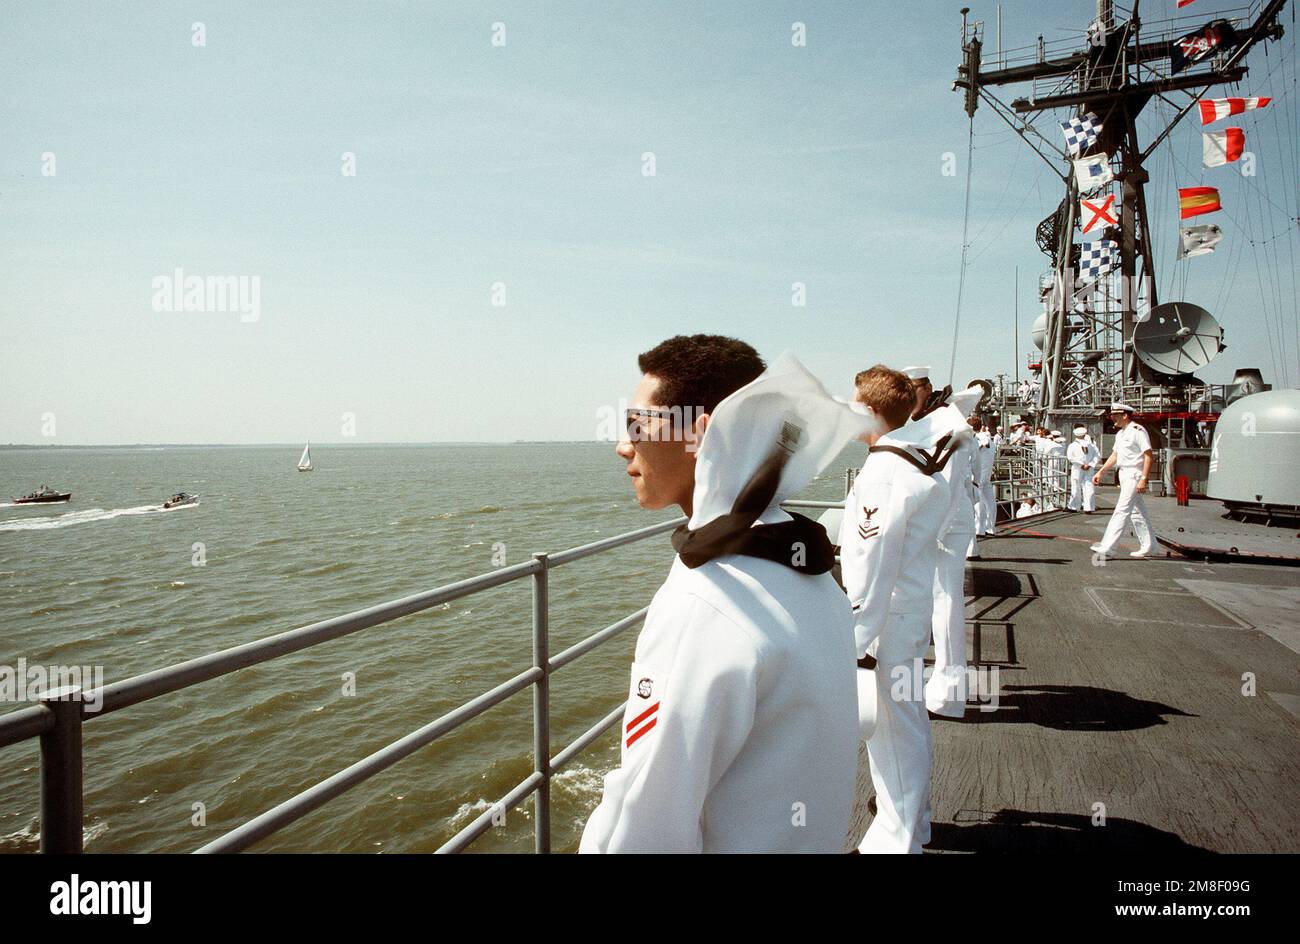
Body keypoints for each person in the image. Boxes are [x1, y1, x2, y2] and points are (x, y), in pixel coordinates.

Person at [581, 336, 872, 853]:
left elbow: (647, 824)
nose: (624, 446)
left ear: (701, 435)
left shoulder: (707, 599)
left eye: (637, 424)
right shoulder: (808, 564)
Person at [839, 365, 951, 853]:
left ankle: (896, 841)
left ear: (868, 410)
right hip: (905, 611)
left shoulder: (884, 473)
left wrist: (856, 640)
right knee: (906, 723)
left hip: (885, 620)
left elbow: (872, 562)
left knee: (891, 731)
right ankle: (913, 824)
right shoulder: (910, 461)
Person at [923, 386, 983, 717]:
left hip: (948, 528)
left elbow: (945, 488)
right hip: (954, 523)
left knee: (944, 603)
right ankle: (948, 686)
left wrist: (932, 533)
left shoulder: (952, 433)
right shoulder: (960, 432)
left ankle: (949, 692)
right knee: (945, 602)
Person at [1090, 403, 1157, 559]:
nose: (1112, 418)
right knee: (1137, 512)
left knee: (1122, 509)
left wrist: (1144, 479)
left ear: (1125, 415)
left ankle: (1108, 547)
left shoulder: (1138, 431)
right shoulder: (1120, 434)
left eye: (1115, 415)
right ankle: (1150, 546)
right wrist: (1100, 472)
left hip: (1134, 474)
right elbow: (1115, 456)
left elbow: (1148, 455)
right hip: (1124, 474)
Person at [970, 417, 996, 536]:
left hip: (979, 473)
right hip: (987, 472)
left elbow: (982, 446)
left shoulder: (977, 438)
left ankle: (979, 529)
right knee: (989, 499)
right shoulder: (989, 438)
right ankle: (990, 527)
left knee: (978, 500)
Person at [1067, 426, 1099, 513]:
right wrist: (1090, 464)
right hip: (1089, 468)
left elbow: (1070, 457)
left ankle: (1074, 506)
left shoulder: (1072, 445)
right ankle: (1088, 507)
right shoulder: (1092, 445)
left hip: (1077, 468)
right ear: (1085, 434)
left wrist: (1081, 464)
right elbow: (1097, 456)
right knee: (1089, 486)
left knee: (1076, 486)